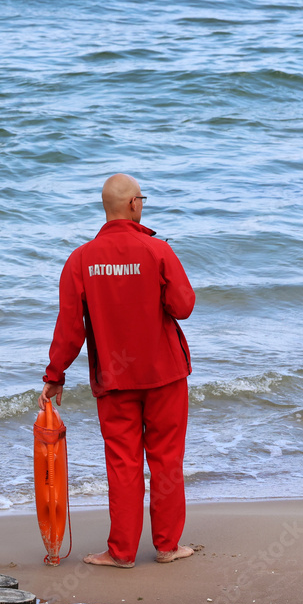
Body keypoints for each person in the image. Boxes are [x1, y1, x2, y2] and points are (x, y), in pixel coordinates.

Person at [40, 173, 196, 568]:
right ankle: (167, 546)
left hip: (114, 379)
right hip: (165, 374)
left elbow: (70, 328)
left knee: (123, 464)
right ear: (132, 204)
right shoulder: (157, 250)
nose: (142, 203)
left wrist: (55, 376)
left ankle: (122, 552)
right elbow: (183, 306)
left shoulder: (81, 259)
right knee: (166, 459)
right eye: (142, 198)